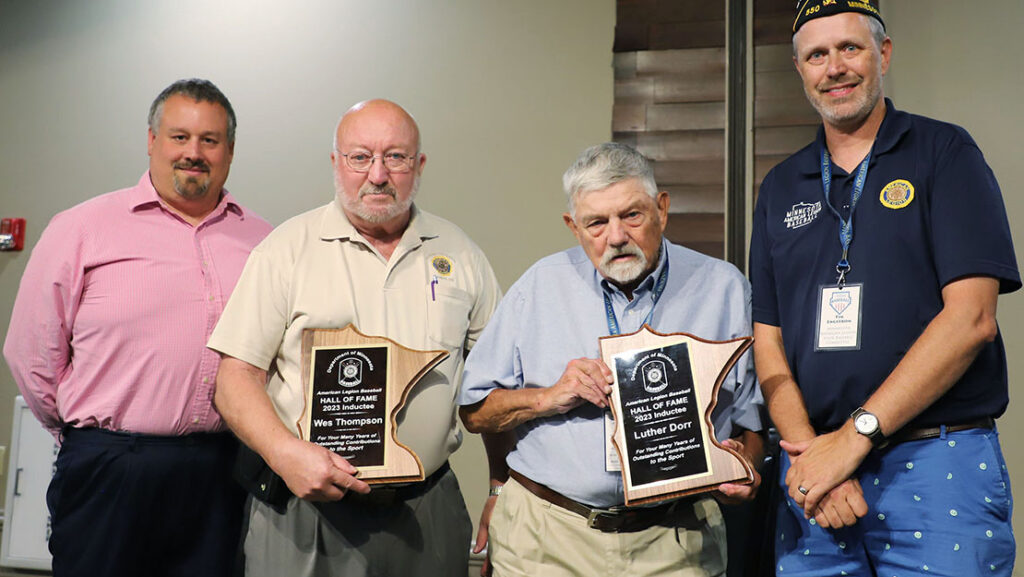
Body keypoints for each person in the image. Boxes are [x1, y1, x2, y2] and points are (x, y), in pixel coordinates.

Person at [749, 2, 1019, 575]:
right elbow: (766, 339)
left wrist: (854, 438)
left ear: (884, 54)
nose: (834, 67)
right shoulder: (779, 187)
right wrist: (809, 455)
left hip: (935, 461)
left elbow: (972, 318)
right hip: (815, 478)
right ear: (799, 70)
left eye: (850, 48)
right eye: (816, 55)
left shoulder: (944, 153)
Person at [207, 98, 502, 577]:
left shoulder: (461, 255)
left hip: (425, 510)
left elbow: (496, 387)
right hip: (307, 511)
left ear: (419, 165)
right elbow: (234, 380)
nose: (378, 175)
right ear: (336, 164)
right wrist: (285, 455)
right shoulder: (286, 250)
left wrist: (499, 489)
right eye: (359, 157)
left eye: (396, 157)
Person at [3, 78, 272, 576]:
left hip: (222, 470)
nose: (194, 152)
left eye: (209, 140)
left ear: (229, 151)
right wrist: (84, 435)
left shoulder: (264, 241)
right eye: (179, 137)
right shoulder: (81, 228)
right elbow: (30, 354)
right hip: (109, 466)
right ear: (151, 141)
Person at [458, 142, 765, 577]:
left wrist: (745, 469)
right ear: (573, 226)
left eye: (631, 215)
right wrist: (548, 397)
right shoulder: (539, 286)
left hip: (675, 540)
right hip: (547, 539)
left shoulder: (723, 288)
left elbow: (752, 422)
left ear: (662, 208)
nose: (616, 236)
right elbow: (474, 411)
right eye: (596, 223)